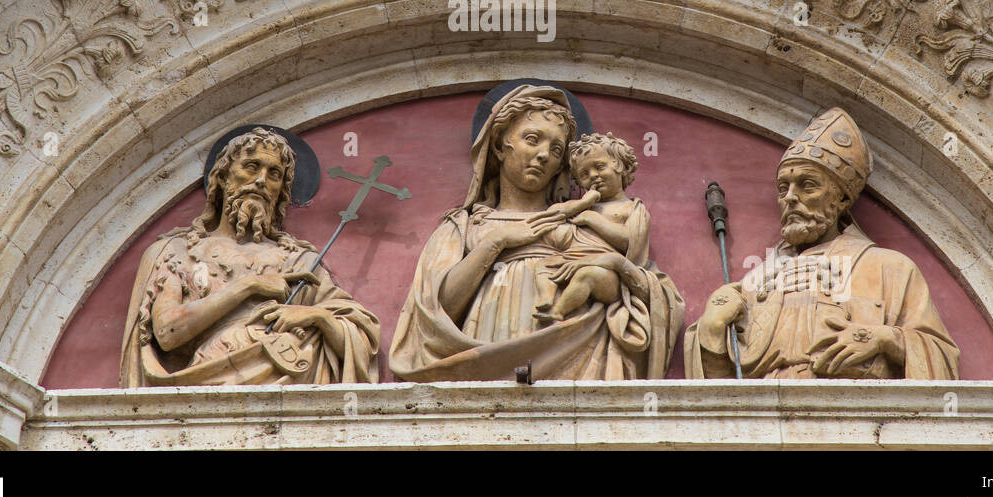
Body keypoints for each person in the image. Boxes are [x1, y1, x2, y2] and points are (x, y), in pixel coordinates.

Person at [390, 85, 684, 381]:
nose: (543, 155)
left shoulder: (579, 224)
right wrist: (496, 242)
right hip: (487, 345)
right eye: (532, 139)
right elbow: (437, 311)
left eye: (556, 150)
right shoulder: (465, 228)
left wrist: (615, 266)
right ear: (498, 147)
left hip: (572, 359)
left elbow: (644, 292)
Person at [685, 108, 960, 380]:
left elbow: (941, 358)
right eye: (784, 188)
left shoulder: (889, 268)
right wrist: (712, 327)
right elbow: (722, 392)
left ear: (841, 199)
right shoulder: (754, 283)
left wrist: (886, 339)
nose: (790, 198)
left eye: (807, 185)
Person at [120, 126, 380, 386]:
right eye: (251, 167)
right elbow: (167, 333)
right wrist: (249, 286)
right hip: (200, 392)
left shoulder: (298, 260)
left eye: (274, 174)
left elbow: (360, 337)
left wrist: (316, 316)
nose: (261, 180)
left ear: (281, 190)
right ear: (222, 177)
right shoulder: (177, 251)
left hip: (285, 387)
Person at [533, 132, 655, 322]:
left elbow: (628, 242)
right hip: (571, 259)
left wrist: (592, 218)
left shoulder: (631, 209)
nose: (593, 176)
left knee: (588, 275)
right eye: (584, 174)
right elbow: (553, 213)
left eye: (599, 167)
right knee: (543, 265)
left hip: (608, 272)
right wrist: (583, 203)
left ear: (620, 166)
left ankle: (559, 310)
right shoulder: (583, 206)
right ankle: (546, 299)